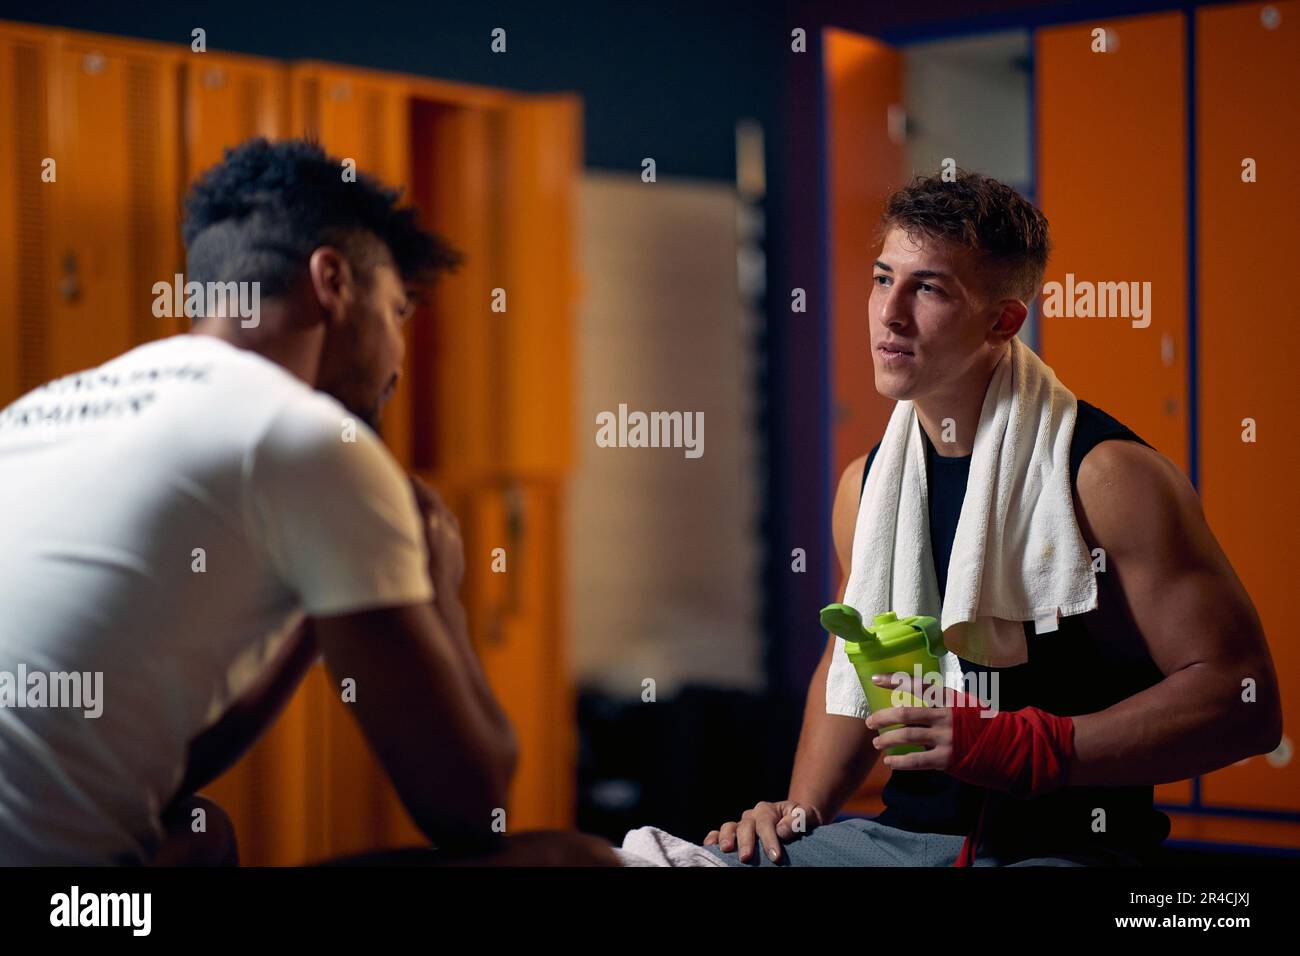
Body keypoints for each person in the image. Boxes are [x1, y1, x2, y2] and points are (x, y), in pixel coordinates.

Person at [0, 137, 616, 866]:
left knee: (201, 834)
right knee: (568, 861)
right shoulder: (306, 437)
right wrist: (435, 583)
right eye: (396, 312)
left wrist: (316, 616)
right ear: (332, 281)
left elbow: (160, 772)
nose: (397, 361)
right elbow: (471, 807)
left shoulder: (36, 412)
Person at [691, 170, 1282, 867]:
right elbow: (852, 661)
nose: (891, 313)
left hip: (1067, 850)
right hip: (901, 841)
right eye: (884, 279)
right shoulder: (869, 486)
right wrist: (796, 815)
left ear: (1003, 320)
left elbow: (1244, 700)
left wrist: (1033, 748)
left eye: (930, 288)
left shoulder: (1108, 478)